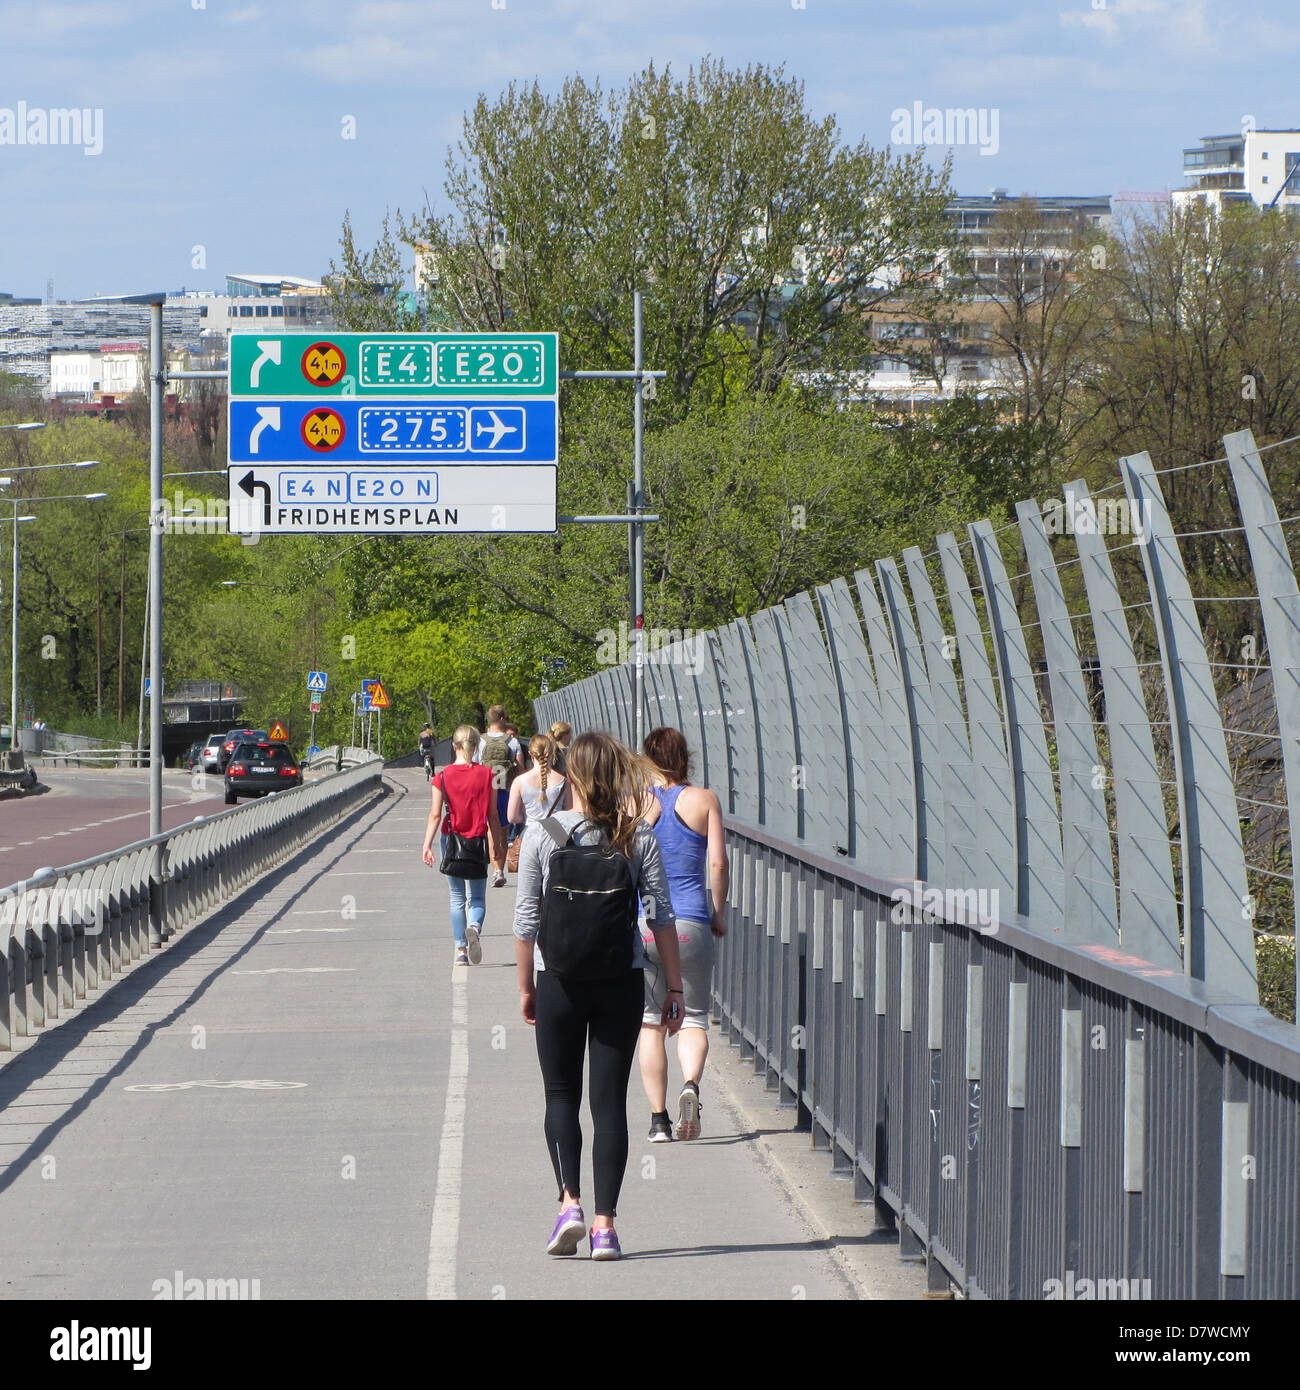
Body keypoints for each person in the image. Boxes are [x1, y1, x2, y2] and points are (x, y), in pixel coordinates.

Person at [514, 731, 685, 1261]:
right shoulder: (639, 838)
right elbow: (661, 919)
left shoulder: (543, 834)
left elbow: (525, 920)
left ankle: (570, 1205)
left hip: (559, 979)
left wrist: (526, 986)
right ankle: (606, 1228)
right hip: (620, 980)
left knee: (560, 1095)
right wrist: (675, 986)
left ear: (575, 778)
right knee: (609, 1102)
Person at [637, 726, 729, 1142]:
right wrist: (718, 912)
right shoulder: (705, 800)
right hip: (690, 922)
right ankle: (690, 1084)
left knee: (650, 1024)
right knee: (692, 1018)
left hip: (646, 924)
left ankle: (658, 1122)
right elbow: (718, 866)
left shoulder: (637, 803)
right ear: (685, 757)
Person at [422, 725, 506, 967]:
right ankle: (474, 928)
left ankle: (460, 950)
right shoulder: (487, 775)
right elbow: (493, 815)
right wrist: (498, 846)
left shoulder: (443, 777)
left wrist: (426, 845)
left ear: (454, 746)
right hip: (478, 843)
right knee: (477, 898)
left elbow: (435, 815)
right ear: (478, 745)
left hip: (452, 841)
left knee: (457, 897)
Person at [476, 705, 524, 885]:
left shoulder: (481, 741)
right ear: (502, 719)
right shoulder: (512, 742)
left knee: (490, 831)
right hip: (505, 790)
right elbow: (520, 770)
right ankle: (499, 871)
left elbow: (474, 766)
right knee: (503, 831)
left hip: (486, 791)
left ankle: (495, 869)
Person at [506, 733, 570, 863]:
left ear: (530, 753)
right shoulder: (564, 782)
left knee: (530, 880)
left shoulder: (519, 782)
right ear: (552, 752)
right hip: (557, 836)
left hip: (530, 833)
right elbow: (569, 812)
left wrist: (524, 816)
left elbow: (512, 817)